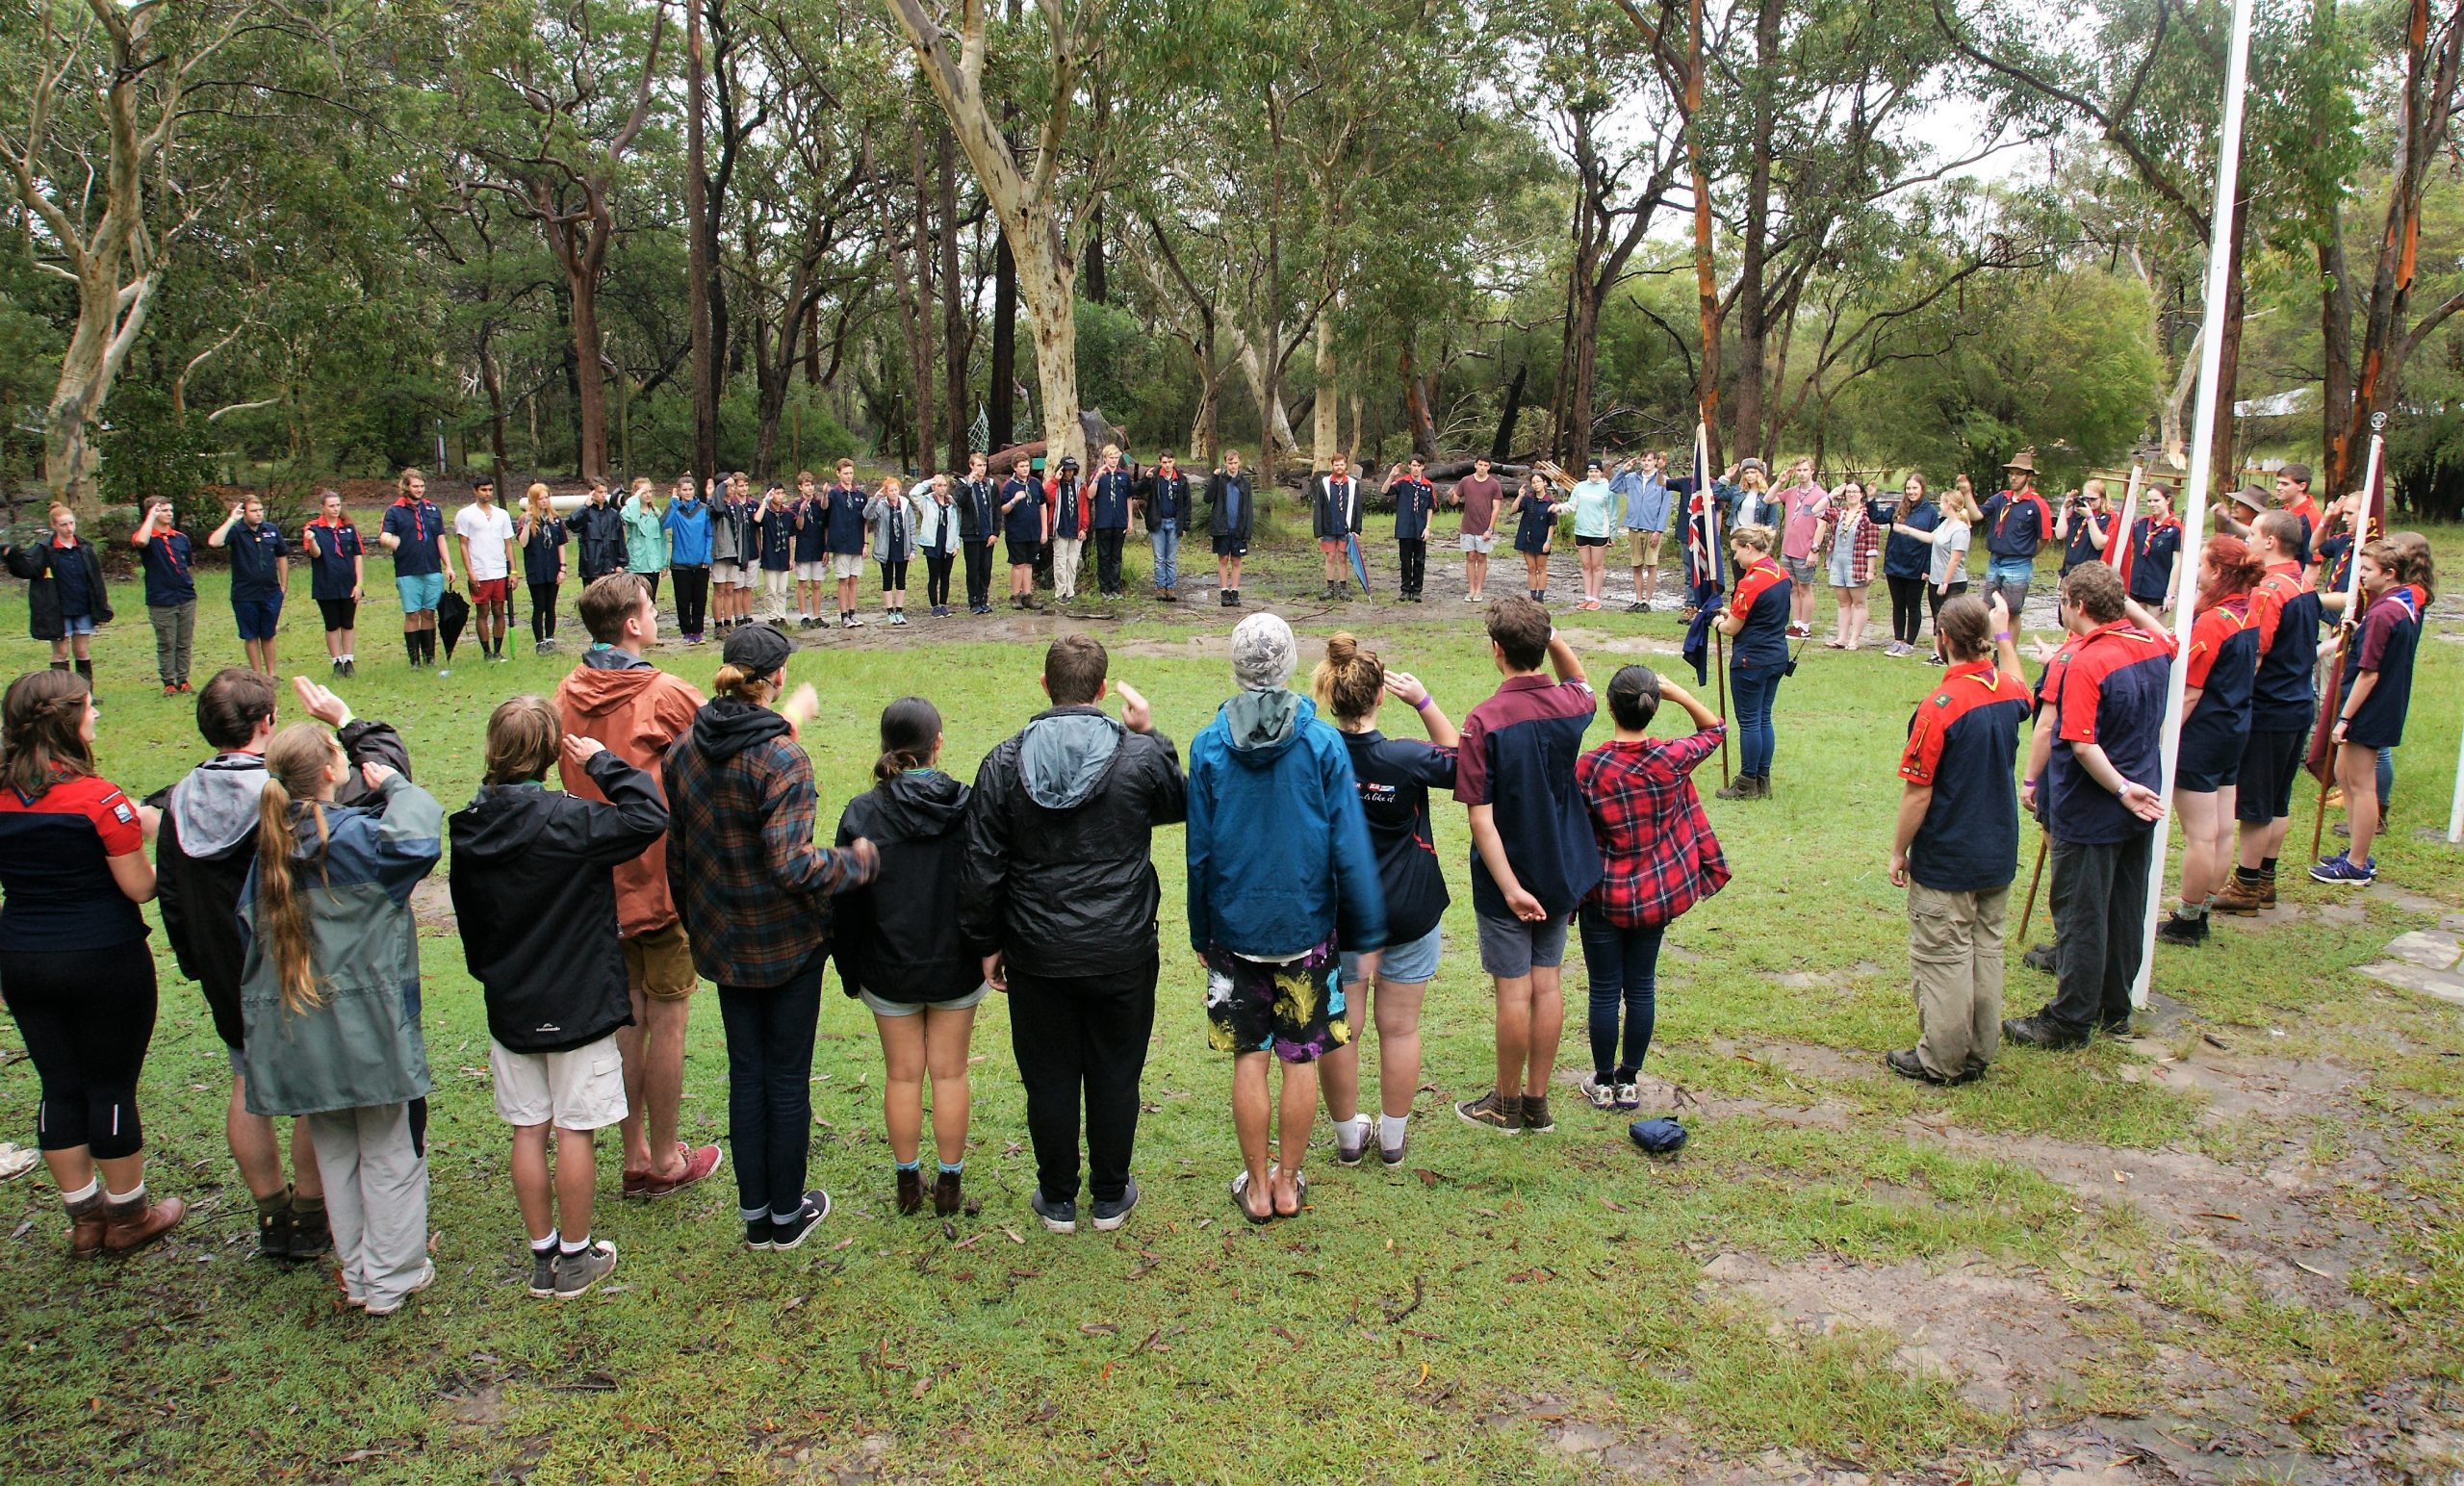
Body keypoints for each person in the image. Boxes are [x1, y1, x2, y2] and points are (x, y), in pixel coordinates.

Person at [157, 669, 407, 1260]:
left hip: (227, 968)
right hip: (295, 966)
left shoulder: (180, 799)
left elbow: (170, 891)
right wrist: (348, 723)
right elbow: (385, 790)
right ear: (268, 722)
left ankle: (272, 1212)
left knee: (246, 1079)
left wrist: (196, 962)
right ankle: (311, 1214)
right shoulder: (292, 795)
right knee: (314, 1088)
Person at [960, 635, 1185, 1233]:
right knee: (1110, 1071)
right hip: (1101, 947)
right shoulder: (1008, 762)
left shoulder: (1012, 761)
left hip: (1058, 948)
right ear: (1103, 690)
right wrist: (1150, 735)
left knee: (1053, 1075)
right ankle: (1085, 1193)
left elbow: (980, 864)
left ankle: (1082, 1193)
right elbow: (983, 861)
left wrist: (986, 941)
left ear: (1046, 685)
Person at [664, 624, 879, 1249]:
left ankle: (757, 1214)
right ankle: (786, 1215)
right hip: (787, 945)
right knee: (784, 1079)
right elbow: (792, 864)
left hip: (724, 943)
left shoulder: (684, 750)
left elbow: (677, 856)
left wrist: (698, 925)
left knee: (746, 1074)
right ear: (777, 677)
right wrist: (856, 861)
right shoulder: (781, 759)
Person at [449, 694, 668, 1300]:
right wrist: (603, 762)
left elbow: (470, 920)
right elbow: (648, 816)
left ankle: (544, 1252)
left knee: (528, 1127)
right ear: (551, 752)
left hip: (514, 1000)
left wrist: (493, 976)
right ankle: (574, 1256)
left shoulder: (470, 827)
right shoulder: (571, 821)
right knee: (574, 1129)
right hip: (577, 1001)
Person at [238, 721, 444, 1313]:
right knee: (390, 1149)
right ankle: (392, 1277)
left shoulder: (269, 848)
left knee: (335, 1150)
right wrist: (396, 786)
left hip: (304, 1027)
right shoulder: (356, 839)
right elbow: (418, 841)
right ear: (333, 769)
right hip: (369, 1026)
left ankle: (359, 1272)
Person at [1187, 614, 1385, 1223]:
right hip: (1304, 927)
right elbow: (1348, 842)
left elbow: (1199, 853)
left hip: (1238, 926)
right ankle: (1286, 1183)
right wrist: (1366, 926)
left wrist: (1201, 929)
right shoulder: (1321, 742)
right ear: (1291, 664)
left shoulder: (1209, 744)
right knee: (1300, 1055)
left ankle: (1259, 1186)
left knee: (1251, 1055)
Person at [0, 668, 184, 1257]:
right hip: (103, 957)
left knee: (58, 1084)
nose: (96, 714)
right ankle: (129, 1216)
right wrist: (149, 833)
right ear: (66, 723)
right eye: (88, 707)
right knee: (110, 1085)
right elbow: (139, 888)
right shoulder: (99, 799)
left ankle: (84, 1218)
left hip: (22, 957)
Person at [552, 574, 725, 1201]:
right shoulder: (664, 692)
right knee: (667, 1020)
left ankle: (634, 1155)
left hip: (598, 882)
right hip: (661, 881)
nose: (656, 615)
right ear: (631, 624)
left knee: (628, 1019)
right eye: (651, 607)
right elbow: (724, 741)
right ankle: (664, 1159)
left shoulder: (565, 692)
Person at [2004, 563, 2169, 1050]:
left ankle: (2069, 1019)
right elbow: (2165, 635)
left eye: (2063, 600)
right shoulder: (2152, 645)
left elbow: (2080, 742)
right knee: (2124, 907)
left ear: (2076, 605)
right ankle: (2114, 1007)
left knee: (2082, 913)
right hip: (2141, 799)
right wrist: (2121, 599)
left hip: (2096, 805)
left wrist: (2119, 788)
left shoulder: (2085, 662)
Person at [833, 698, 984, 1217]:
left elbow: (844, 902)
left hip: (888, 967)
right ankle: (948, 1184)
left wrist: (850, 970)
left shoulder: (862, 811)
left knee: (902, 1075)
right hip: (954, 965)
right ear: (937, 744)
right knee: (950, 1073)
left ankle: (908, 1183)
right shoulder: (967, 805)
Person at [1310, 634, 1456, 1166]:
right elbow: (1463, 761)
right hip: (1409, 911)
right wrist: (1424, 702)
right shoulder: (1405, 758)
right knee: (1401, 1028)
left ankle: (1348, 1139)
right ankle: (1392, 1140)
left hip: (1340, 916)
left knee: (1341, 1029)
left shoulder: (1313, 756)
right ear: (1379, 697)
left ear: (1330, 695)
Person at [1451, 600, 1597, 1135]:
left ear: (1497, 650)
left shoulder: (1483, 721)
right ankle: (1536, 1102)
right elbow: (1580, 679)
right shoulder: (1571, 705)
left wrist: (1510, 888)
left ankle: (1505, 1104)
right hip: (1560, 869)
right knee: (1548, 983)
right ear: (1542, 646)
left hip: (1505, 877)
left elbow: (1481, 820)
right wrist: (1551, 635)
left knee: (1513, 991)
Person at [1887, 594, 2029, 1084]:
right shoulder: (2005, 690)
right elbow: (2023, 689)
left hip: (1949, 855)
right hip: (1997, 850)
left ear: (1942, 638)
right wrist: (2004, 634)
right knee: (1985, 951)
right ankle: (1978, 1049)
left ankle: (1943, 1059)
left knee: (1943, 956)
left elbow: (1917, 793)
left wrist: (1899, 850)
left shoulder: (1939, 708)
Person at [1576, 665, 1729, 1107]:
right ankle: (1629, 1081)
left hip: (1604, 896)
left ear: (1609, 707)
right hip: (1655, 896)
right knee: (1641, 987)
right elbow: (1715, 729)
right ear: (1654, 708)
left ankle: (1603, 1082)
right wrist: (1680, 693)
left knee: (1604, 990)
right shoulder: (1671, 758)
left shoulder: (1590, 767)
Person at [2157, 537, 2266, 943]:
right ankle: (2201, 908)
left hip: (2204, 734)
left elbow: (2190, 692)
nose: (2197, 572)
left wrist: (2164, 736)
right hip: (2234, 726)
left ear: (2217, 571)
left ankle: (2187, 919)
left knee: (2201, 833)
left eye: (2201, 564)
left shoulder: (2214, 621)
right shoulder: (2247, 611)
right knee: (2222, 827)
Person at [2213, 512, 2323, 912]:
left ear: (2272, 541)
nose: (2249, 540)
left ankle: (2246, 884)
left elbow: (2257, 654)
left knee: (2256, 805)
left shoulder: (2268, 591)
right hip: (2297, 702)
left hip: (2270, 708)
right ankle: (2265, 879)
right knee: (2278, 800)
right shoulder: (2303, 583)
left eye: (2254, 534)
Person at [2314, 537, 2428, 885]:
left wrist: (2344, 719)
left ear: (2390, 573)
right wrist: (2360, 631)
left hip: (2371, 706)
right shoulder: (2400, 602)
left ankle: (2358, 863)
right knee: (2343, 773)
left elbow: (2369, 674)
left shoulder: (2383, 612)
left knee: (2362, 784)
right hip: (2380, 701)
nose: (2360, 575)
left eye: (2366, 569)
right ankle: (2354, 850)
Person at [1714, 525, 1791, 800]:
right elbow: (1759, 614)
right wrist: (1731, 611)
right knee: (1763, 717)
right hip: (1777, 655)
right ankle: (1762, 779)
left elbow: (1732, 628)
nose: (1735, 558)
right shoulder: (1781, 573)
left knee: (1749, 721)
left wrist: (1717, 622)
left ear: (1749, 547)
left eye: (1736, 551)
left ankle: (1746, 783)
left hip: (1751, 660)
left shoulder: (1750, 583)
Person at [3, 503, 111, 693]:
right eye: (64, 525)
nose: (69, 528)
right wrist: (12, 555)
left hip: (83, 606)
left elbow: (96, 580)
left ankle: (85, 694)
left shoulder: (84, 547)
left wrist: (101, 607)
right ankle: (63, 693)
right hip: (57, 609)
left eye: (71, 523)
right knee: (61, 652)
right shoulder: (44, 549)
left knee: (82, 651)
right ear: (53, 526)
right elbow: (27, 569)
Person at [378, 468, 458, 672]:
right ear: (406, 487)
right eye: (415, 486)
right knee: (412, 613)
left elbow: (440, 539)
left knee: (429, 612)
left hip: (432, 568)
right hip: (407, 570)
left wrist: (448, 565)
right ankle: (414, 660)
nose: (419, 490)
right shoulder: (394, 511)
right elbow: (384, 535)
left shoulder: (432, 509)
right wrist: (389, 541)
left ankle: (430, 657)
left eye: (422, 486)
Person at [211, 495, 291, 677]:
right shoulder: (236, 531)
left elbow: (282, 555)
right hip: (245, 594)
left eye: (260, 510)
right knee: (251, 635)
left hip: (270, 592)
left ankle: (272, 674)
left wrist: (283, 585)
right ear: (244, 513)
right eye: (253, 511)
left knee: (268, 634)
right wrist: (231, 519)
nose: (258, 514)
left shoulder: (271, 530)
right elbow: (214, 542)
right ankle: (257, 675)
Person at [1901, 478, 1976, 667]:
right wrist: (1907, 530)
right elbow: (1931, 537)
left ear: (1949, 504)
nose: (1939, 506)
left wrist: (1945, 582)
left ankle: (1952, 653)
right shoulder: (1944, 524)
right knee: (1937, 617)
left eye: (1941, 502)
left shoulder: (1960, 529)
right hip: (1936, 579)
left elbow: (1955, 559)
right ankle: (1938, 653)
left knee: (1950, 618)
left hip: (1952, 582)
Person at [131, 497, 201, 696]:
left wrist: (188, 584)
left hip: (185, 596)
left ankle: (183, 679)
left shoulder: (180, 538)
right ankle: (169, 681)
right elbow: (141, 541)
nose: (169, 513)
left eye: (171, 510)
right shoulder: (146, 537)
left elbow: (188, 565)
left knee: (184, 641)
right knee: (166, 642)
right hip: (161, 598)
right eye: (163, 510)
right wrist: (150, 518)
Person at [1978, 451, 2052, 618]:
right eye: (2011, 473)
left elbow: (2045, 538)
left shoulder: (2037, 504)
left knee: (2011, 611)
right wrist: (1967, 493)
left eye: (2019, 474)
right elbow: (1977, 514)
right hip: (1995, 559)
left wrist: (2028, 553)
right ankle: (1989, 635)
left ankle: (2008, 637)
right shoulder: (2001, 497)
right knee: (1987, 606)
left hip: (2018, 562)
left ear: (2029, 477)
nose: (2013, 477)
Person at [455, 475, 518, 663]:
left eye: (490, 490)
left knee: (499, 609)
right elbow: (463, 544)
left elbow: (508, 544)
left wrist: (513, 571)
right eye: (483, 490)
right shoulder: (465, 514)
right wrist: (470, 572)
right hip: (480, 571)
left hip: (499, 570)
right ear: (475, 491)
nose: (487, 493)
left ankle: (498, 650)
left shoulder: (502, 514)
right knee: (482, 611)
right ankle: (486, 651)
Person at [301, 489, 365, 677]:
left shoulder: (349, 527)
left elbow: (358, 556)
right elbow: (316, 554)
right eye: (331, 506)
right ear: (322, 507)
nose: (335, 509)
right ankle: (336, 661)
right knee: (331, 624)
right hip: (326, 583)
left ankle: (349, 660)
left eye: (338, 505)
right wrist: (312, 541)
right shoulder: (313, 528)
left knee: (348, 623)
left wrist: (359, 583)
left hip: (348, 583)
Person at [1878, 474, 1938, 657]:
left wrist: (1928, 568)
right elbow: (1877, 518)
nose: (1911, 492)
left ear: (1922, 489)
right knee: (1898, 604)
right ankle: (1898, 640)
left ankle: (1909, 643)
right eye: (1908, 488)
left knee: (1913, 605)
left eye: (1915, 488)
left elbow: (1933, 541)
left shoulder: (1930, 512)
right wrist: (1871, 499)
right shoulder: (1898, 507)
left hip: (1916, 565)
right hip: (1895, 563)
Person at [1813, 478, 1878, 651]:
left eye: (1855, 491)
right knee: (1843, 602)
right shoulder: (1840, 512)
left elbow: (1872, 547)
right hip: (1838, 562)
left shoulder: (1867, 516)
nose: (1851, 495)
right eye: (1848, 492)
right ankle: (1841, 638)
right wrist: (1832, 495)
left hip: (1857, 564)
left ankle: (1854, 639)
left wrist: (1870, 570)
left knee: (1859, 602)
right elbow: (1815, 510)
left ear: (1861, 494)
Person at [1774, 456, 1824, 635]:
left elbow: (1822, 525)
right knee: (1793, 587)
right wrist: (1780, 482)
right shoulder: (1792, 491)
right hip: (1788, 548)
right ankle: (1796, 623)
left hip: (1805, 549)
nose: (1801, 474)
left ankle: (1805, 626)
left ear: (1812, 471)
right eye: (1799, 470)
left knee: (1805, 588)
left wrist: (1814, 549)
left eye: (1805, 470)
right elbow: (1768, 498)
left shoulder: (1820, 495)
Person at [518, 482, 569, 653]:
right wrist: (527, 523)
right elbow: (523, 543)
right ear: (533, 500)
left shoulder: (555, 519)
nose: (544, 501)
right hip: (536, 568)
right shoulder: (526, 519)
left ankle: (550, 638)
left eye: (546, 497)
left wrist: (562, 567)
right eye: (541, 499)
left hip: (552, 567)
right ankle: (539, 641)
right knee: (539, 606)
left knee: (550, 606)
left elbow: (561, 543)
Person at [1616, 452, 1671, 612]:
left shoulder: (1662, 480)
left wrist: (1659, 530)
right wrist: (1623, 470)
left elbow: (1665, 507)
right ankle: (1638, 599)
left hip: (1651, 529)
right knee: (1636, 565)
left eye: (1649, 460)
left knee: (1651, 565)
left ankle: (1648, 601)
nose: (1646, 463)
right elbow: (1614, 487)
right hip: (1634, 527)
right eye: (1644, 460)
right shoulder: (1632, 478)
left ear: (1655, 462)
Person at [663, 474, 714, 644]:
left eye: (690, 489)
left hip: (700, 562)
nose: (687, 492)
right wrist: (673, 504)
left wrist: (708, 556)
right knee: (683, 600)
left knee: (700, 599)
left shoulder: (704, 509)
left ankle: (698, 631)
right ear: (678, 491)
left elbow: (710, 534)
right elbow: (664, 524)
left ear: (694, 490)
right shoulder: (675, 509)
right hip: (680, 563)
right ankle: (686, 633)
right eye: (684, 490)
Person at [1310, 452, 1367, 601]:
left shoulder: (1353, 484)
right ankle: (1329, 587)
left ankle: (1343, 588)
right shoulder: (1324, 483)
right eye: (1336, 465)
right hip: (1328, 528)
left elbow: (1358, 508)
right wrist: (1318, 531)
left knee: (1342, 557)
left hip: (1345, 528)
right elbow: (1319, 508)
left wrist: (1357, 529)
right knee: (1330, 557)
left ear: (1346, 465)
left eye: (1342, 464)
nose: (1339, 467)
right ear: (1332, 466)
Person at [864, 474, 916, 626]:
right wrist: (874, 499)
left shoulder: (905, 505)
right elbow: (867, 515)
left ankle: (899, 611)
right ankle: (889, 612)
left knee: (901, 580)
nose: (894, 493)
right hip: (886, 549)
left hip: (902, 548)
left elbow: (912, 527)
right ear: (886, 491)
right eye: (891, 490)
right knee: (887, 580)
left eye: (896, 490)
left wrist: (913, 549)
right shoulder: (881, 505)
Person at [1451, 455, 1504, 603]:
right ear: (1475, 465)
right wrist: (1450, 495)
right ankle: (1471, 589)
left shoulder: (1494, 484)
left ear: (1489, 467)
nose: (1482, 468)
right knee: (1470, 557)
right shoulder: (1466, 481)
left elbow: (1496, 509)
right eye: (1480, 464)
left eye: (1485, 465)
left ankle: (1479, 589)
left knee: (1481, 557)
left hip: (1484, 527)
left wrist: (1490, 529)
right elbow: (1454, 500)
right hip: (1468, 525)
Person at [1568, 457, 1619, 611]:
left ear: (1601, 472)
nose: (1593, 474)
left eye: (1596, 471)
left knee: (1597, 565)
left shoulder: (1608, 488)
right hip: (1581, 530)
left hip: (1599, 532)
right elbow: (1571, 505)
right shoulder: (1580, 487)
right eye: (1591, 471)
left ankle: (1596, 599)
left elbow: (1613, 512)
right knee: (1586, 565)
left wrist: (1613, 534)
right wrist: (1557, 508)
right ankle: (1588, 598)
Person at [1141, 450, 1191, 602]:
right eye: (1164, 462)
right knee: (1159, 558)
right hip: (1158, 522)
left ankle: (1171, 587)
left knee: (1171, 558)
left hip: (1174, 522)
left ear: (1174, 461)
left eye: (1170, 462)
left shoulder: (1181, 479)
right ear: (1160, 463)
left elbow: (1187, 504)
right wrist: (1146, 479)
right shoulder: (1154, 477)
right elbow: (1138, 489)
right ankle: (1160, 587)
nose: (1167, 465)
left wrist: (1185, 525)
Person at [1090, 444, 1138, 599]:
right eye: (1111, 458)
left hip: (1119, 521)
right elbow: (1090, 494)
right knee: (1104, 556)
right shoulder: (1099, 474)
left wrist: (1130, 521)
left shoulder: (1124, 475)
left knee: (1116, 556)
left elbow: (1129, 498)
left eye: (1116, 458)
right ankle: (1104, 589)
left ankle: (1115, 588)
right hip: (1103, 522)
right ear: (1105, 458)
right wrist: (1097, 478)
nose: (1114, 460)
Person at [1206, 450, 1254, 607]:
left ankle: (1235, 591)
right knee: (1223, 559)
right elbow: (1207, 498)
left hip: (1238, 528)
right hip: (1222, 527)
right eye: (1230, 463)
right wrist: (1214, 478)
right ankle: (1224, 591)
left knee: (1236, 560)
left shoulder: (1245, 483)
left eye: (1235, 463)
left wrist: (1247, 529)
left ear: (1239, 463)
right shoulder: (1220, 480)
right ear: (1225, 463)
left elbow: (1248, 508)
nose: (1232, 466)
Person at [956, 450, 1001, 614]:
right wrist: (969, 484)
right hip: (971, 534)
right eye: (978, 465)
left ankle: (983, 598)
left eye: (984, 465)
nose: (982, 469)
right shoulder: (963, 483)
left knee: (986, 568)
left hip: (988, 534)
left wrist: (995, 532)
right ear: (971, 466)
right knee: (973, 569)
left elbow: (996, 509)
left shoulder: (991, 484)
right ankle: (974, 600)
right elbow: (960, 502)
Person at [1388, 455, 1437, 603]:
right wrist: (1391, 476)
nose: (1416, 468)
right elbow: (1385, 490)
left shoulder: (1428, 486)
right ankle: (1405, 590)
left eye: (1418, 466)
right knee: (1405, 559)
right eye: (1413, 465)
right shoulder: (1402, 482)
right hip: (1405, 527)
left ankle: (1417, 591)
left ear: (1423, 467)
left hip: (1420, 527)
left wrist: (1428, 527)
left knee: (1419, 560)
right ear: (1409, 466)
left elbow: (1430, 507)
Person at [2126, 486, 2184, 614]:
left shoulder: (2176, 529)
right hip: (2136, 586)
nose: (2152, 504)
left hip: (2157, 589)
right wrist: (2132, 508)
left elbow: (2177, 562)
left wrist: (2170, 594)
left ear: (2167, 500)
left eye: (2156, 500)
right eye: (2149, 501)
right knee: (2133, 625)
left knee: (2155, 626)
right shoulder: (2141, 524)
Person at [1000, 453, 1046, 609]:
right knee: (1018, 564)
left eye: (1027, 466)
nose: (1025, 469)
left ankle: (1027, 595)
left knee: (1029, 564)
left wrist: (1044, 530)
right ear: (1015, 468)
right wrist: (1014, 500)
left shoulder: (1035, 483)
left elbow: (1042, 505)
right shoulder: (1009, 486)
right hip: (1016, 532)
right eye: (1021, 466)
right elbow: (1003, 509)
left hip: (1033, 531)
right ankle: (1015, 596)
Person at [1511, 472, 1564, 602]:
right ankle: (1533, 595)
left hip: (1542, 538)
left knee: (1541, 568)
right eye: (1533, 482)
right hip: (1527, 536)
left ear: (1545, 483)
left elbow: (1552, 524)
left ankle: (1540, 596)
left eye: (1539, 482)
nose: (1536, 485)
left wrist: (1548, 541)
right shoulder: (1528, 498)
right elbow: (1513, 510)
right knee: (1531, 568)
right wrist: (1519, 496)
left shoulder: (1550, 502)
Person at [914, 473, 961, 619]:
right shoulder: (927, 501)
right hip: (933, 543)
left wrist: (956, 544)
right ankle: (934, 607)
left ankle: (943, 605)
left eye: (944, 485)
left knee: (945, 576)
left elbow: (956, 524)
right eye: (939, 485)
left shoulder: (951, 503)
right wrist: (929, 482)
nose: (942, 488)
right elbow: (913, 493)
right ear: (934, 487)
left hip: (948, 542)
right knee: (934, 576)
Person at [1046, 454, 1089, 602]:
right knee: (1060, 561)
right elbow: (1048, 497)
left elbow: (1084, 507)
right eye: (1067, 470)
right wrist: (1055, 480)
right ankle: (1060, 592)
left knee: (1072, 562)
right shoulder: (1055, 484)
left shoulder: (1079, 485)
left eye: (1072, 470)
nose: (1069, 473)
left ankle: (1070, 591)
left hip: (1076, 528)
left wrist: (1084, 528)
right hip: (1060, 527)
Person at [570, 476, 627, 588]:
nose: (604, 495)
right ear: (592, 493)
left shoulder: (613, 514)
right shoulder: (585, 513)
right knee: (592, 597)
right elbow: (572, 524)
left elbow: (620, 540)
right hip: (591, 568)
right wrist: (585, 507)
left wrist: (621, 563)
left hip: (610, 567)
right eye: (600, 492)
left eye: (605, 492)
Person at [708, 471, 745, 632]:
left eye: (732, 485)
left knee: (730, 589)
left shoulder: (736, 507)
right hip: (720, 553)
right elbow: (716, 509)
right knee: (719, 590)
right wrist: (719, 490)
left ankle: (728, 623)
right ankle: (718, 625)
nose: (732, 489)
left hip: (734, 554)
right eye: (728, 486)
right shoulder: (715, 506)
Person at [755, 482, 797, 621]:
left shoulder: (788, 514)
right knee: (771, 590)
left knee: (782, 590)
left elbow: (790, 536)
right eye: (777, 494)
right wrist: (765, 501)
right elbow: (757, 519)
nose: (780, 496)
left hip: (784, 555)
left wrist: (791, 558)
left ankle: (781, 616)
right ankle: (772, 617)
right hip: (770, 554)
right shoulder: (767, 513)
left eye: (782, 493)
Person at [622, 478, 667, 603]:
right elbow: (633, 519)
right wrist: (635, 498)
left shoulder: (656, 512)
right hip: (637, 565)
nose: (648, 495)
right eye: (644, 492)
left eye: (649, 491)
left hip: (653, 564)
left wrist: (664, 563)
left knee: (650, 599)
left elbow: (662, 540)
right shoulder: (628, 510)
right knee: (636, 600)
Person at [2054, 481, 2113, 577]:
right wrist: (2064, 508)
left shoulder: (2108, 517)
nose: (2088, 502)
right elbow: (2060, 535)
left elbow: (2100, 544)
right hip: (2069, 569)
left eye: (2093, 499)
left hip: (2091, 573)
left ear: (2102, 498)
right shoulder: (2077, 513)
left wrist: (2090, 517)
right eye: (2085, 499)